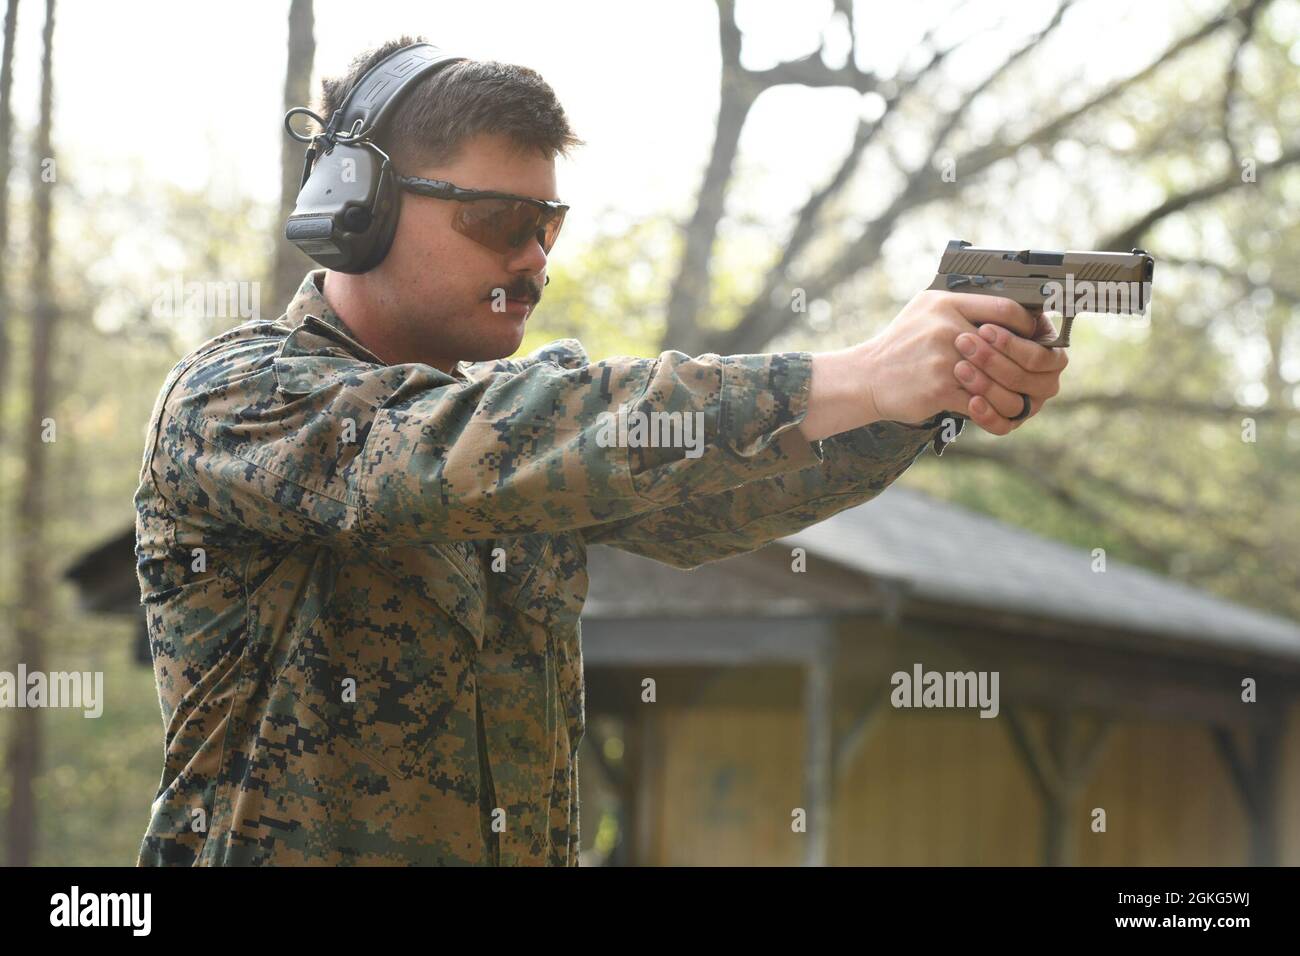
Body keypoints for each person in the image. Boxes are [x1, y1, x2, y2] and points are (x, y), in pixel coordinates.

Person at [134, 36, 1067, 866]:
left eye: (548, 225)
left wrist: (923, 394)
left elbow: (718, 500)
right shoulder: (234, 400)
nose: (536, 259)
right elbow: (456, 452)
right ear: (359, 206)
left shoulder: (533, 444)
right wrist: (863, 371)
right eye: (502, 221)